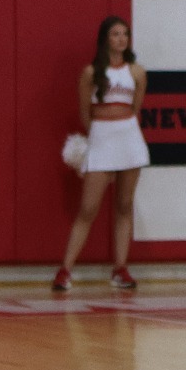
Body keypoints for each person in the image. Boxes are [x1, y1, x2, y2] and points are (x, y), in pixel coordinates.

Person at [55, 16, 148, 293]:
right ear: (105, 39)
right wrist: (98, 138)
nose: (121, 39)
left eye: (125, 34)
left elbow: (136, 109)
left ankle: (120, 269)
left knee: (124, 205)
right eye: (115, 34)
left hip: (130, 138)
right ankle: (65, 271)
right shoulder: (90, 73)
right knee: (88, 209)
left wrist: (124, 130)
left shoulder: (137, 72)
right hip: (102, 139)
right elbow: (85, 112)